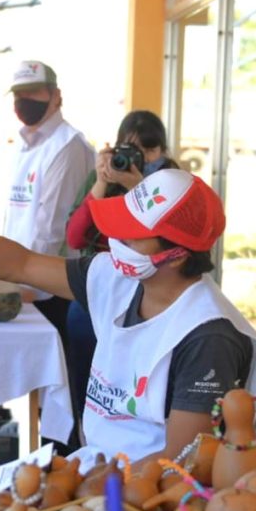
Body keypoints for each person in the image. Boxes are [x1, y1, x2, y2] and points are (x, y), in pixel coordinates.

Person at [0, 168, 256, 468]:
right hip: (94, 468)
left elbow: (181, 465)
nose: (116, 242)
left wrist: (83, 488)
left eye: (132, 237)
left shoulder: (207, 337)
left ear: (176, 255)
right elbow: (21, 263)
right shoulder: (119, 277)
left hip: (146, 503)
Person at [63, 110, 178, 446]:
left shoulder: (172, 181)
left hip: (150, 298)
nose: (139, 158)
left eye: (150, 150)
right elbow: (74, 238)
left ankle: (137, 449)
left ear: (162, 151)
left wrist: (139, 188)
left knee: (134, 385)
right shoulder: (106, 178)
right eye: (130, 149)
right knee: (88, 381)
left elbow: (169, 234)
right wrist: (102, 182)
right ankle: (85, 446)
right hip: (100, 289)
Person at [4, 60, 94, 351]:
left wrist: (26, 286)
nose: (24, 102)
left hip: (49, 289)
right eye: (19, 96)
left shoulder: (67, 146)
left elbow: (52, 229)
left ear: (56, 96)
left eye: (33, 93)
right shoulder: (25, 144)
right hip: (22, 280)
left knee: (56, 383)